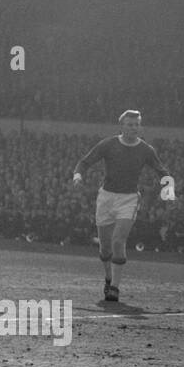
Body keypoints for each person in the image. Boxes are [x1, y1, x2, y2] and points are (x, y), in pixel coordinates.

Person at [72, 110, 174, 303]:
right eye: (129, 124)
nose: (133, 128)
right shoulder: (108, 144)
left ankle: (115, 288)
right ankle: (108, 277)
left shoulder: (146, 149)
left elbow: (161, 170)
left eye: (136, 125)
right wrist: (78, 176)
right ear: (122, 126)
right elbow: (84, 162)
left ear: (140, 127)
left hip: (128, 199)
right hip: (106, 197)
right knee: (105, 248)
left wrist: (169, 187)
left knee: (118, 241)